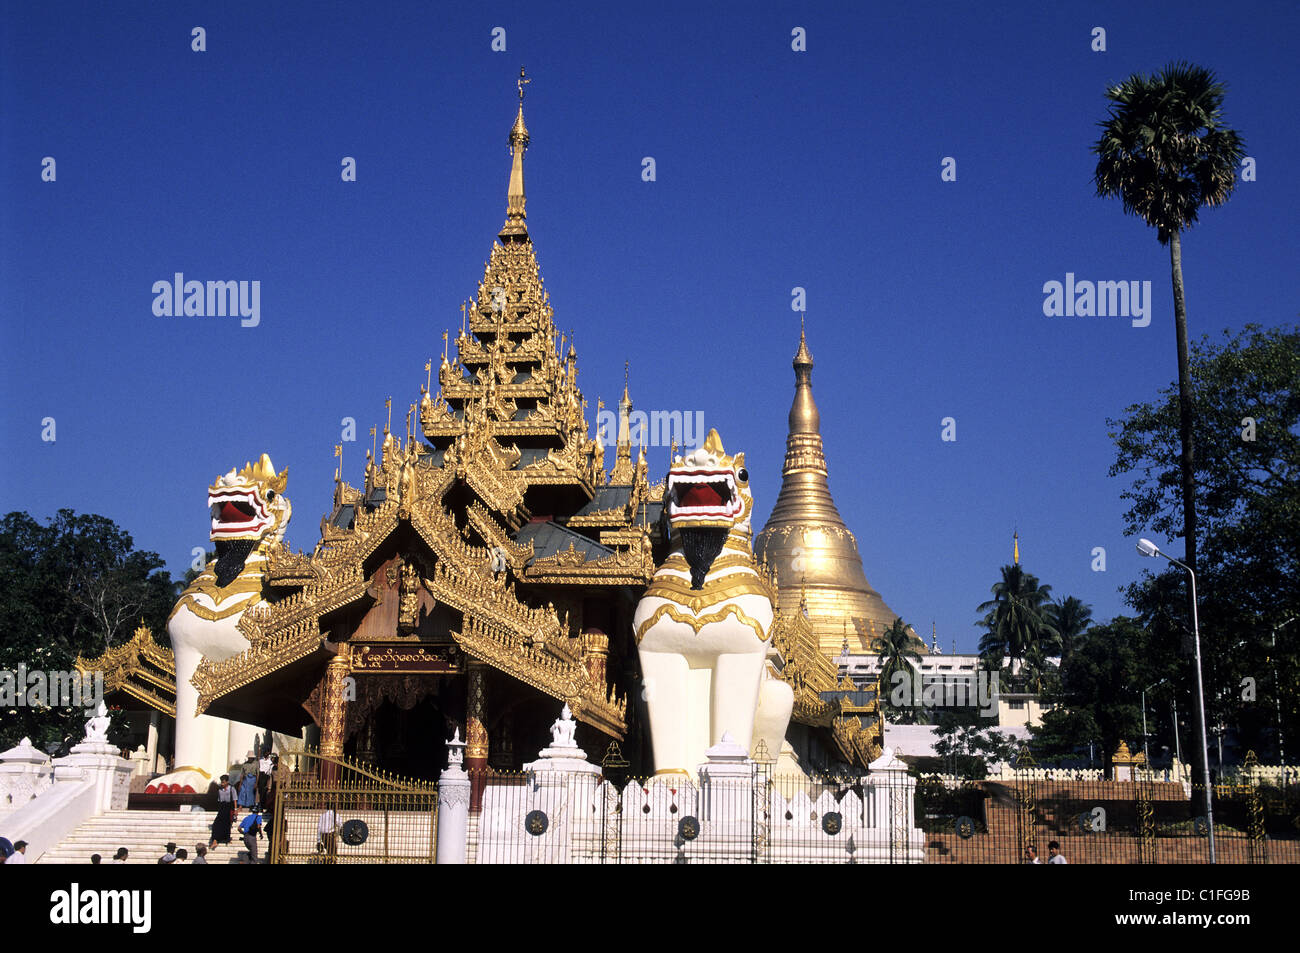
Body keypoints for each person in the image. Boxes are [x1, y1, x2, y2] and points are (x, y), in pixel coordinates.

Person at [211, 775, 235, 849]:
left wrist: (236, 809)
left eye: (224, 782)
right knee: (216, 824)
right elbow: (219, 800)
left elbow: (234, 799)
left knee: (227, 824)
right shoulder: (220, 790)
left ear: (227, 782)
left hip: (228, 807)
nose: (222, 784)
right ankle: (215, 840)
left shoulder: (231, 789)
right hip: (222, 807)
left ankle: (226, 839)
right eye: (221, 782)